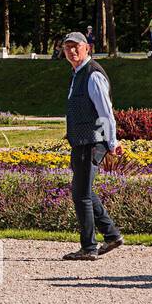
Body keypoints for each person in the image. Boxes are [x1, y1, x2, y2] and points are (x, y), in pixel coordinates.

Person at [60, 32, 124, 260]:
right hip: (81, 141)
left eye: (76, 47)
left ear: (87, 48)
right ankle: (112, 234)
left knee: (81, 195)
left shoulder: (93, 74)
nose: (71, 51)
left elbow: (106, 112)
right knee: (83, 191)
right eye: (67, 47)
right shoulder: (77, 73)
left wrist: (112, 142)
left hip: (91, 141)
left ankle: (89, 247)